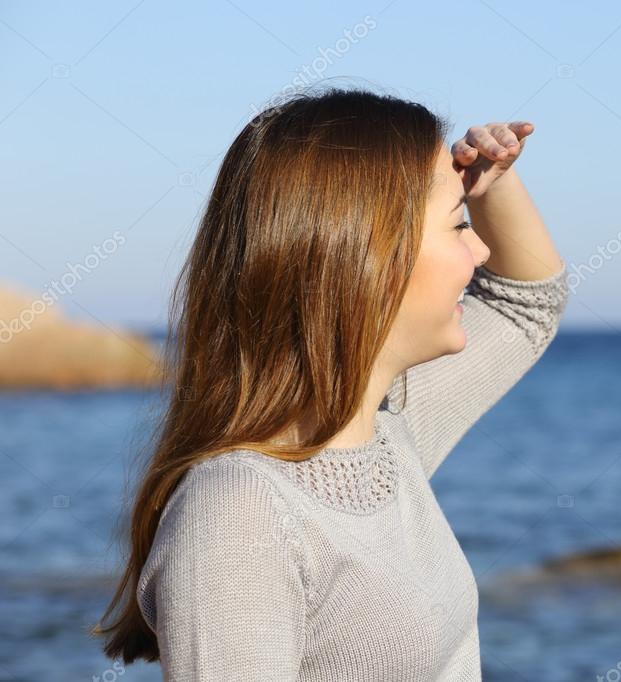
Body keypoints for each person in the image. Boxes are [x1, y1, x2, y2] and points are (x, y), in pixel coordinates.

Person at [90, 87, 570, 680]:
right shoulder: (238, 512)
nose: (479, 248)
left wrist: (490, 185)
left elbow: (529, 304)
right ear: (364, 257)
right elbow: (525, 301)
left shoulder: (389, 431)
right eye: (458, 226)